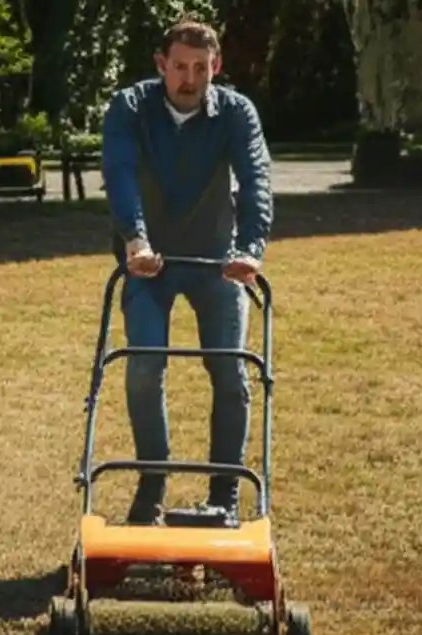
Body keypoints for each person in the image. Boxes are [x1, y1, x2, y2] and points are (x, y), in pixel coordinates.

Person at [100, 17, 273, 526]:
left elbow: (256, 177)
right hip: (148, 261)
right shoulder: (130, 108)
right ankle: (152, 486)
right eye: (180, 66)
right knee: (144, 365)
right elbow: (119, 174)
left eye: (201, 68)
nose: (190, 78)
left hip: (217, 263)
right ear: (161, 66)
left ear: (216, 67)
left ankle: (226, 494)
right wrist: (136, 240)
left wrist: (251, 250)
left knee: (230, 371)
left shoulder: (236, 113)